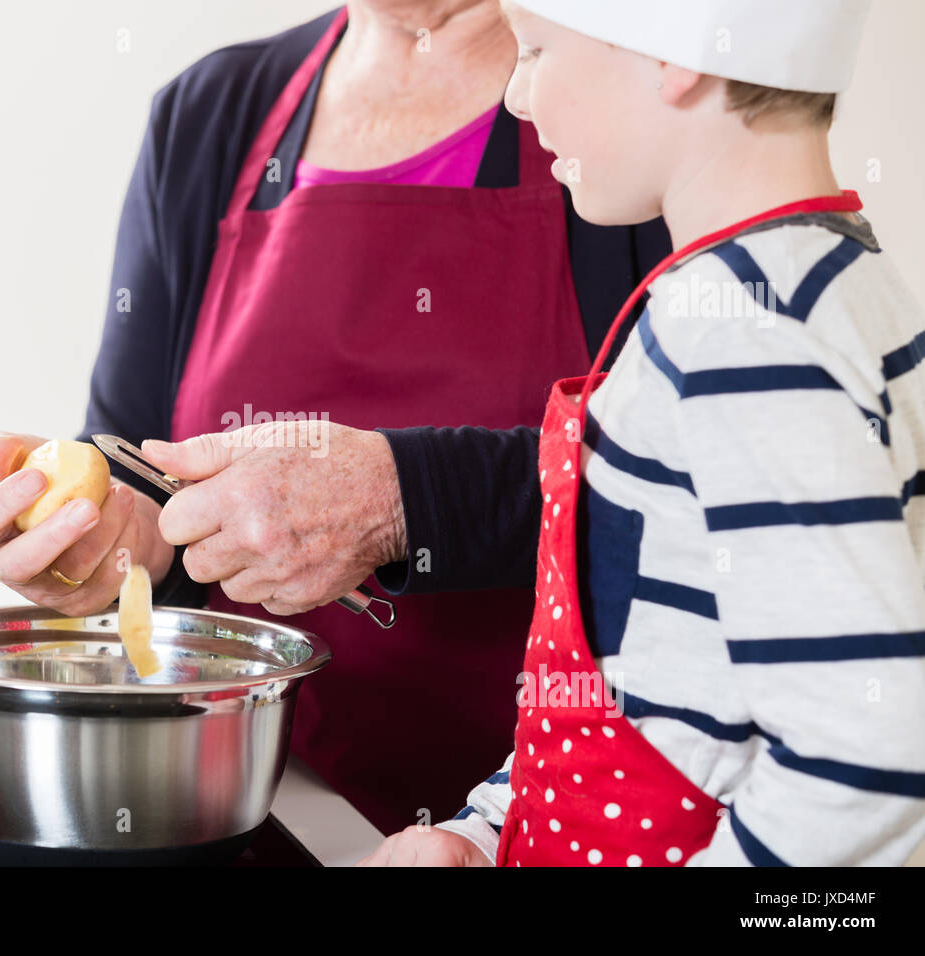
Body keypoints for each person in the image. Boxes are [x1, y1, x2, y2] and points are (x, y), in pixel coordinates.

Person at [0, 1, 671, 836]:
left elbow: (697, 473)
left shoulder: (619, 95)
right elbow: (134, 456)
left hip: (548, 810)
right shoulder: (210, 113)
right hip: (262, 802)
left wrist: (404, 501)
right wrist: (107, 544)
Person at [360, 0, 925, 866]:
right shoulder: (820, 283)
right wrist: (486, 832)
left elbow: (869, 754)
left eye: (538, 49)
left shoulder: (743, 338)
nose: (517, 96)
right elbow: (653, 680)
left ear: (679, 53)